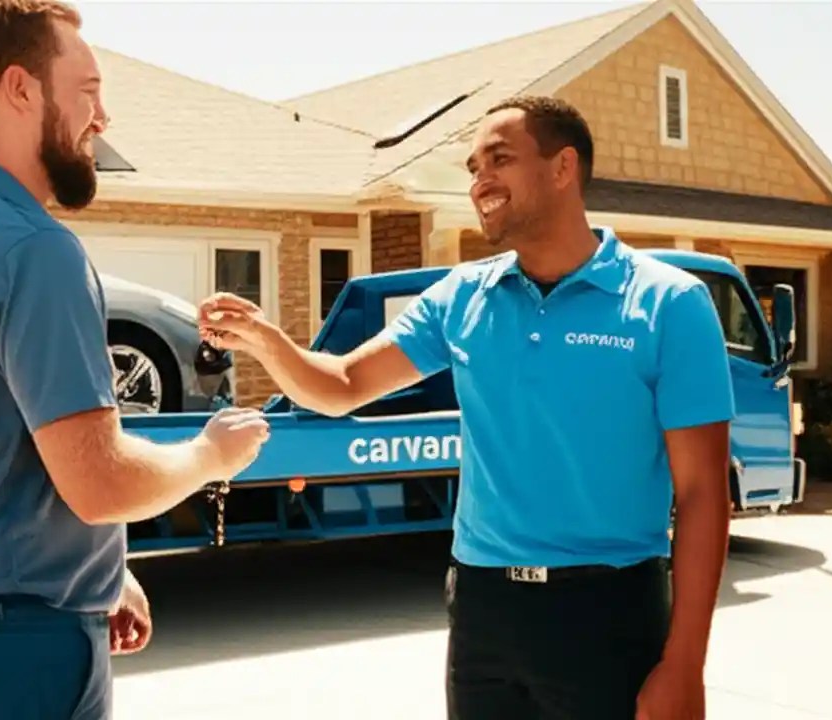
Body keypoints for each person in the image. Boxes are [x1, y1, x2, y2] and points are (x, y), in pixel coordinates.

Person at [199, 95, 733, 720]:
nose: (480, 182)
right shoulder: (461, 295)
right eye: (474, 167)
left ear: (564, 168)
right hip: (484, 611)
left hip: (609, 609)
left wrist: (686, 664)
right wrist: (268, 339)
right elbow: (342, 385)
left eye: (499, 161)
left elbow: (702, 494)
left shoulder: (669, 303)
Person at [0, 1, 270, 718]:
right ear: (21, 90)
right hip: (22, 648)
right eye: (89, 90)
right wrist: (210, 455)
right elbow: (98, 482)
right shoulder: (36, 250)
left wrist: (102, 572)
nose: (104, 117)